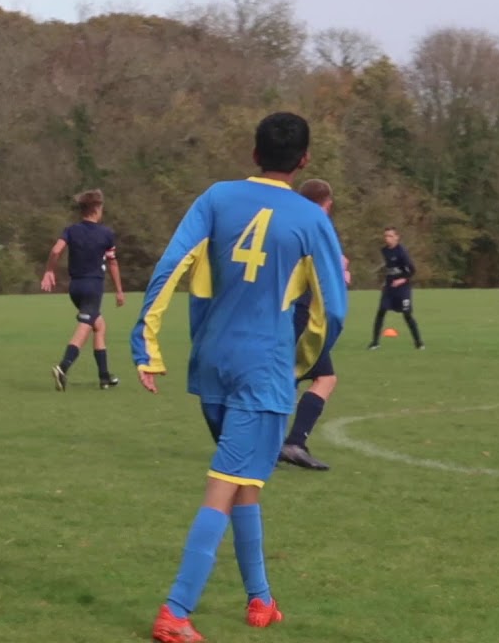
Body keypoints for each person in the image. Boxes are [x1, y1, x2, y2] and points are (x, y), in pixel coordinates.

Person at [129, 112, 348, 642]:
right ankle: (176, 611)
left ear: (254, 154)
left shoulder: (215, 198)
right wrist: (301, 362)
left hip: (211, 363)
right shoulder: (311, 218)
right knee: (224, 484)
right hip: (261, 368)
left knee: (246, 483)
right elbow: (332, 310)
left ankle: (261, 599)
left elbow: (170, 265)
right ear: (303, 160)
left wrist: (146, 342)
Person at [279, 178, 350, 472]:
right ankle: (293, 442)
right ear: (328, 205)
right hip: (305, 315)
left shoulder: (285, 224)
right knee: (325, 378)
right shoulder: (319, 228)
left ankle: (269, 445)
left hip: (280, 313)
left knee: (286, 380)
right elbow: (323, 275)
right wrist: (341, 272)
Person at [40, 189, 126, 391]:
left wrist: (49, 271)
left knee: (99, 326)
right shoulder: (106, 234)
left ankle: (104, 376)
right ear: (97, 208)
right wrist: (119, 290)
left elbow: (55, 250)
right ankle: (63, 367)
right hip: (93, 287)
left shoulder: (71, 230)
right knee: (85, 327)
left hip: (75, 287)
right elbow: (112, 263)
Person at [369, 226, 424, 350]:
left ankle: (419, 343)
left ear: (397, 237)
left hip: (403, 288)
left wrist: (401, 280)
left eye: (390, 236)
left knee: (407, 314)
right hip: (389, 288)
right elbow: (389, 269)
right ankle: (375, 342)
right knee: (381, 311)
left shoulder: (401, 252)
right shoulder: (384, 251)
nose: (387, 239)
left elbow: (412, 270)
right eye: (386, 236)